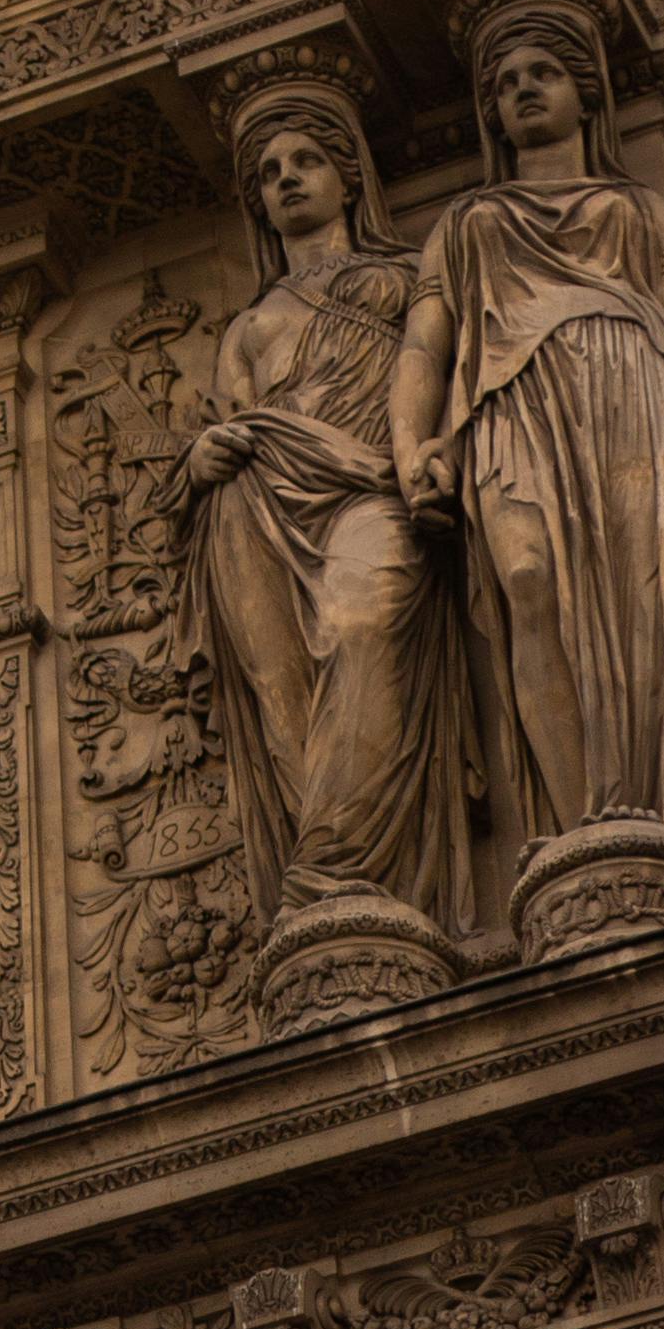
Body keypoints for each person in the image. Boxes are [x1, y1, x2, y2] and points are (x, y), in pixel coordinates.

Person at [391, 0, 664, 849]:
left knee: (640, 595)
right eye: (505, 83)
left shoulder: (637, 206)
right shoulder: (467, 222)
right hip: (510, 405)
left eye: (543, 74)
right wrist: (410, 449)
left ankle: (653, 811)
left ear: (587, 92)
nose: (522, 90)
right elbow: (425, 345)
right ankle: (581, 823)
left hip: (630, 386)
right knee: (527, 581)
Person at [181, 85, 477, 935]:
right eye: (270, 174)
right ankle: (316, 864)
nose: (287, 181)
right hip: (257, 503)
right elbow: (226, 420)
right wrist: (202, 460)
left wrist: (437, 454)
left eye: (306, 161)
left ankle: (342, 864)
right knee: (283, 699)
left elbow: (453, 377)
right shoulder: (248, 325)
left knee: (361, 622)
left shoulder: (404, 277)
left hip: (371, 489)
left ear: (348, 178)